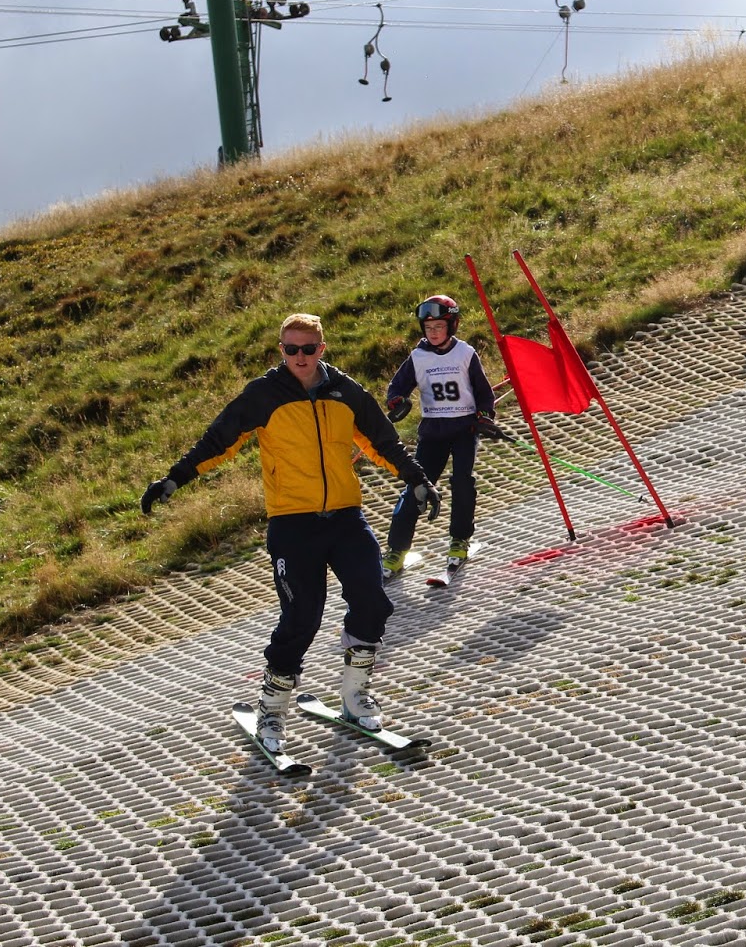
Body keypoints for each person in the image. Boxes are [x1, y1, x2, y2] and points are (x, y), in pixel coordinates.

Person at [140, 313, 440, 755]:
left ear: (322, 348)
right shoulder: (265, 394)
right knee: (302, 618)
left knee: (373, 600)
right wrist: (173, 479)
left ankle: (355, 697)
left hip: (344, 516)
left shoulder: (346, 391)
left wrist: (417, 479)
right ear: (281, 351)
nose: (299, 357)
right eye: (290, 349)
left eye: (308, 349)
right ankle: (271, 712)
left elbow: (383, 441)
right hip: (292, 523)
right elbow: (218, 441)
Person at [382, 294, 503, 578]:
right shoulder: (418, 357)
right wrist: (397, 402)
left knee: (462, 482)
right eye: (428, 327)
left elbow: (484, 394)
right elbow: (396, 387)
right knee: (417, 487)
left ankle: (459, 540)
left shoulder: (465, 353)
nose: (433, 332)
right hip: (434, 432)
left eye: (438, 326)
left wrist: (485, 416)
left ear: (452, 325)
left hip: (464, 429)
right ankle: (396, 551)